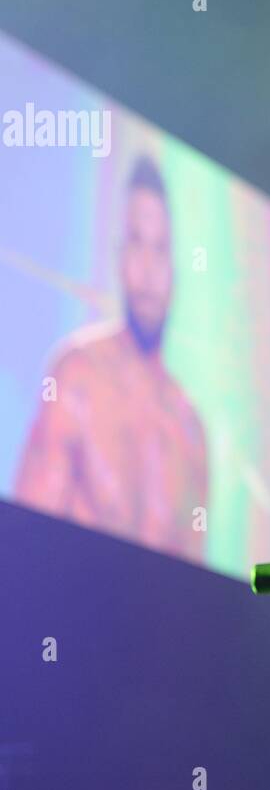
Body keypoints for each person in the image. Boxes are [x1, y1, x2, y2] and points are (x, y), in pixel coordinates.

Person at [14, 154, 208, 562]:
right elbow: (24, 547)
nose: (148, 269)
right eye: (136, 243)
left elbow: (191, 592)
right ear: (119, 257)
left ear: (175, 268)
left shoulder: (188, 429)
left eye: (161, 249)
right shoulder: (77, 376)